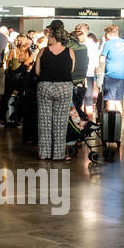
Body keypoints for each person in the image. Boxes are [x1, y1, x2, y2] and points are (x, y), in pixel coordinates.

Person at [36, 24, 75, 159]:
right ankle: (58, 155)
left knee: (44, 121)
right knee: (60, 122)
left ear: (53, 37)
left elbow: (37, 72)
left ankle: (44, 153)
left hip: (45, 86)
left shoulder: (43, 51)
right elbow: (70, 71)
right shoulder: (70, 51)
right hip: (64, 87)